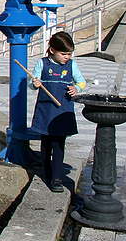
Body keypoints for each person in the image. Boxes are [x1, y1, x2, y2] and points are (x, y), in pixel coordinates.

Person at [29, 32, 86, 192]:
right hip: (45, 109)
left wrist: (76, 89)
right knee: (46, 143)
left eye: (69, 54)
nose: (67, 57)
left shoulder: (71, 65)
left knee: (59, 143)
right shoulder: (42, 64)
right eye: (64, 54)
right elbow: (31, 83)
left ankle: (57, 178)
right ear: (52, 50)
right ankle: (46, 171)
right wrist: (35, 83)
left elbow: (82, 81)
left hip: (63, 110)